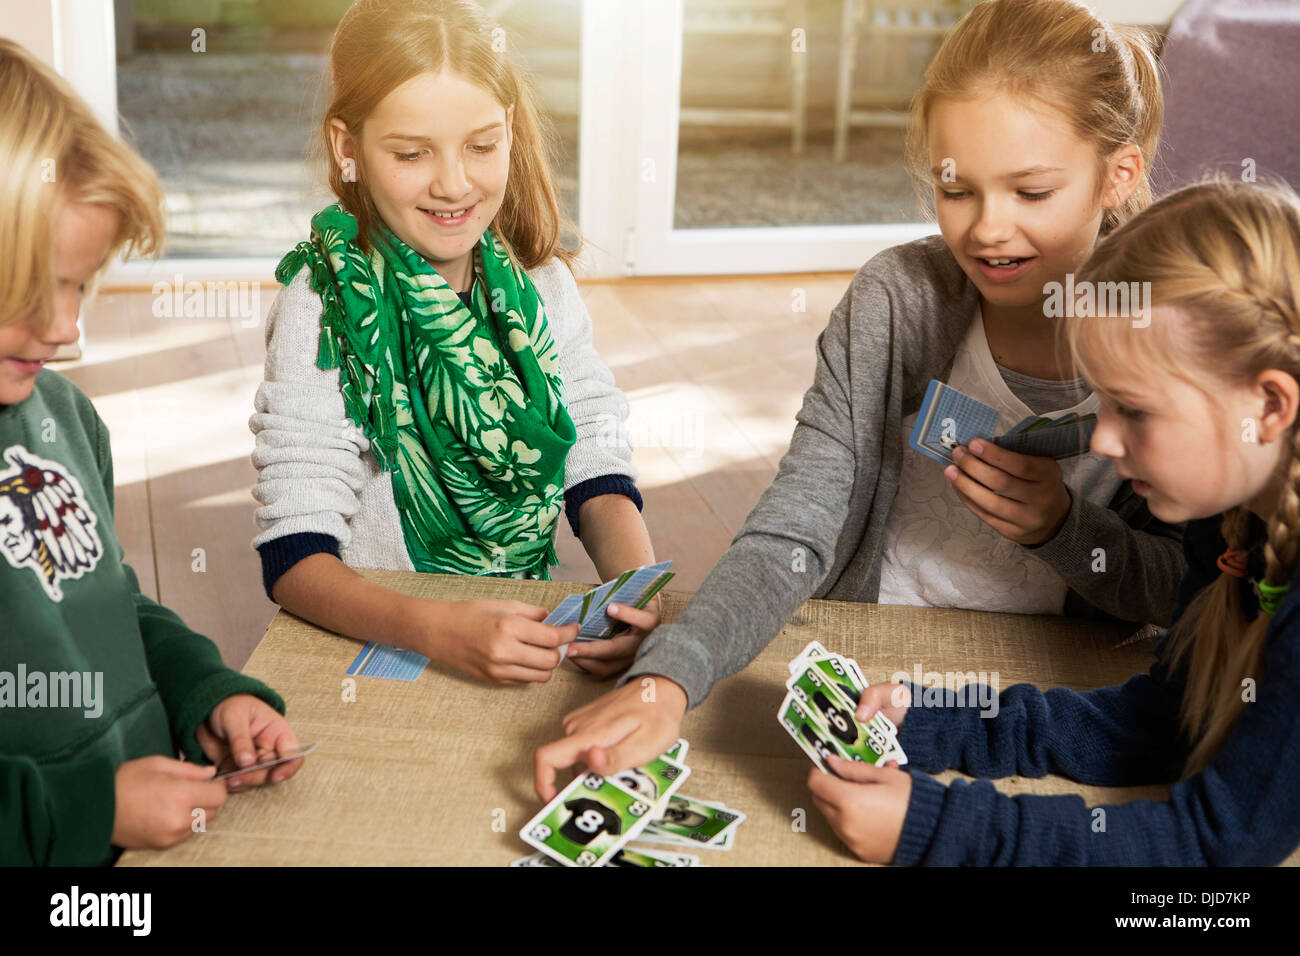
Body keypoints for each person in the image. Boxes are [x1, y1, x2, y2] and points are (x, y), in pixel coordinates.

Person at [535, 0, 1181, 798]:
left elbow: (1180, 592)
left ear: (1118, 173)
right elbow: (798, 521)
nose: (987, 229)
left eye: (1031, 192)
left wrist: (1062, 528)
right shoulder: (899, 299)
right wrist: (669, 677)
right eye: (957, 189)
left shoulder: (1169, 332)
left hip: (1058, 701)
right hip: (870, 652)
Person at [812, 179, 1300, 865]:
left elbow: (1217, 848)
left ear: (1270, 407)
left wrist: (941, 826)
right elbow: (1161, 724)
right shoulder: (1227, 522)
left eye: (1134, 409)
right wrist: (938, 722)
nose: (1101, 442)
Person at [251, 0, 659, 685]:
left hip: (525, 630)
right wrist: (436, 630)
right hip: (384, 647)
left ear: (510, 130)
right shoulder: (318, 308)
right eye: (411, 153)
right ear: (346, 147)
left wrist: (635, 596)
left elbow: (592, 449)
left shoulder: (544, 286)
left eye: (481, 145)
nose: (453, 184)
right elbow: (293, 554)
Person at [0, 37, 303, 866]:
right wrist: (79, 809)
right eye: (27, 290)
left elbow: (108, 606)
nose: (64, 329)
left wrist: (201, 695)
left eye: (78, 284)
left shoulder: (59, 413)